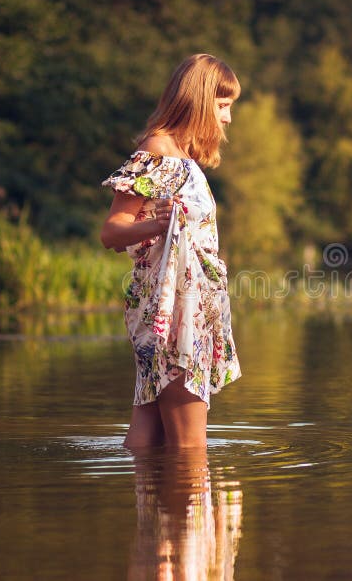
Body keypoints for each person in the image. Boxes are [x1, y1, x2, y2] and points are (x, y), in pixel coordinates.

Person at [100, 54, 242, 449]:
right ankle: (187, 503)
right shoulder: (158, 154)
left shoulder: (183, 159)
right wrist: (158, 224)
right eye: (223, 106)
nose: (228, 118)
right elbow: (112, 233)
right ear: (198, 100)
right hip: (173, 313)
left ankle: (152, 505)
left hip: (184, 309)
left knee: (149, 435)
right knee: (191, 450)